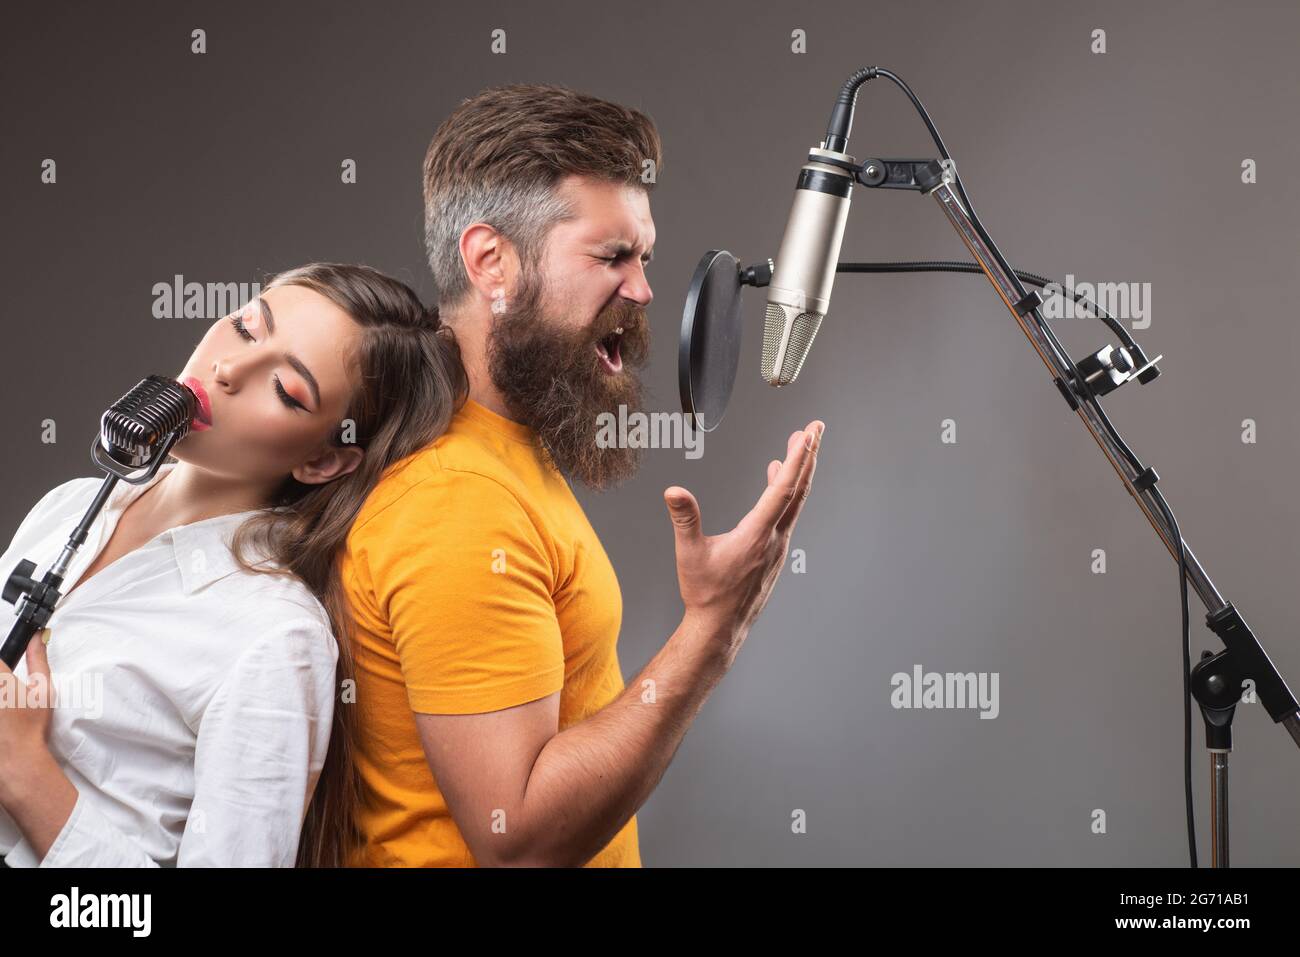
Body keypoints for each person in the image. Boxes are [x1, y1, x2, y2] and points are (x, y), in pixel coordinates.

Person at [342, 83, 824, 867]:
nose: (642, 290)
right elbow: (519, 838)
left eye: (646, 257)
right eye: (612, 256)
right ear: (491, 262)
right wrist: (712, 628)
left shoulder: (506, 446)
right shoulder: (454, 502)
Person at [0, 262, 466, 867]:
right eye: (247, 328)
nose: (226, 369)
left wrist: (26, 774)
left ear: (323, 461)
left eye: (287, 391)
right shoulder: (67, 507)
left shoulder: (275, 635)